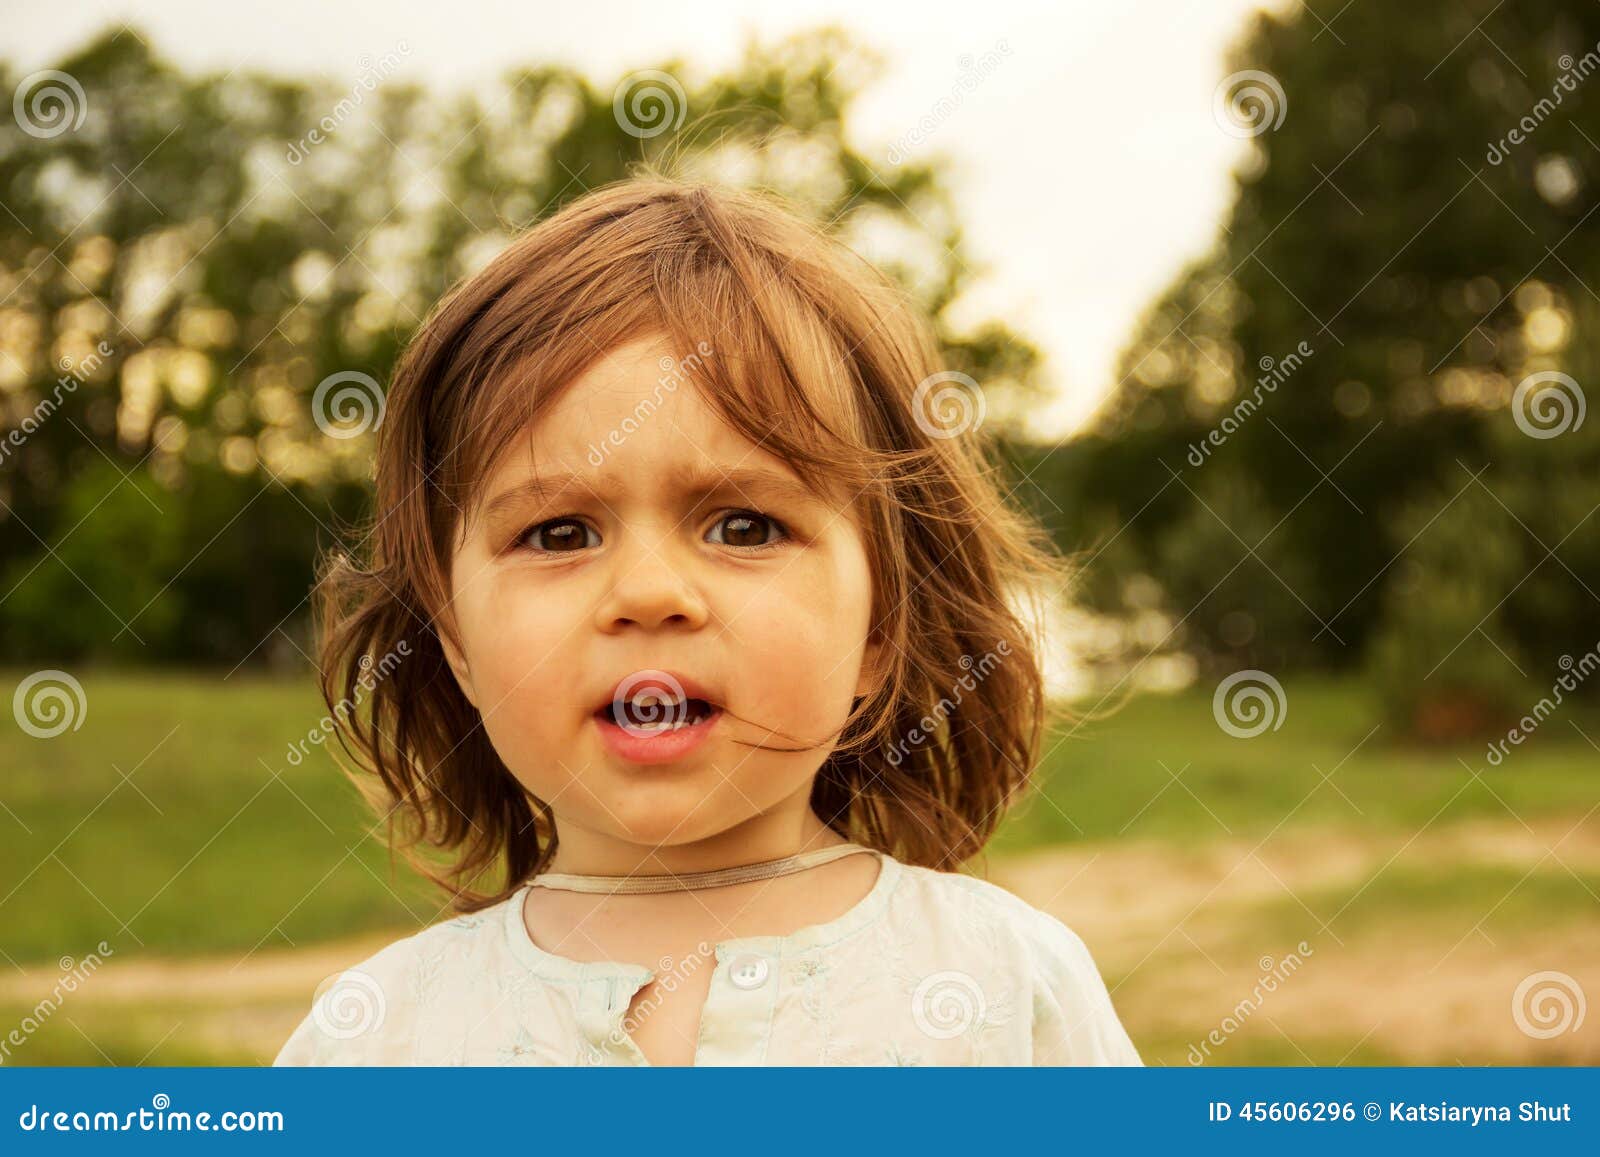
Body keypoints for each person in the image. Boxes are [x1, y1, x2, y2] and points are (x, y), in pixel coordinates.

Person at [272, 177, 1140, 1067]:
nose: (649, 593)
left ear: (882, 627)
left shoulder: (1005, 985)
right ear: (454, 637)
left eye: (745, 527)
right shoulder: (376, 1039)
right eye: (559, 533)